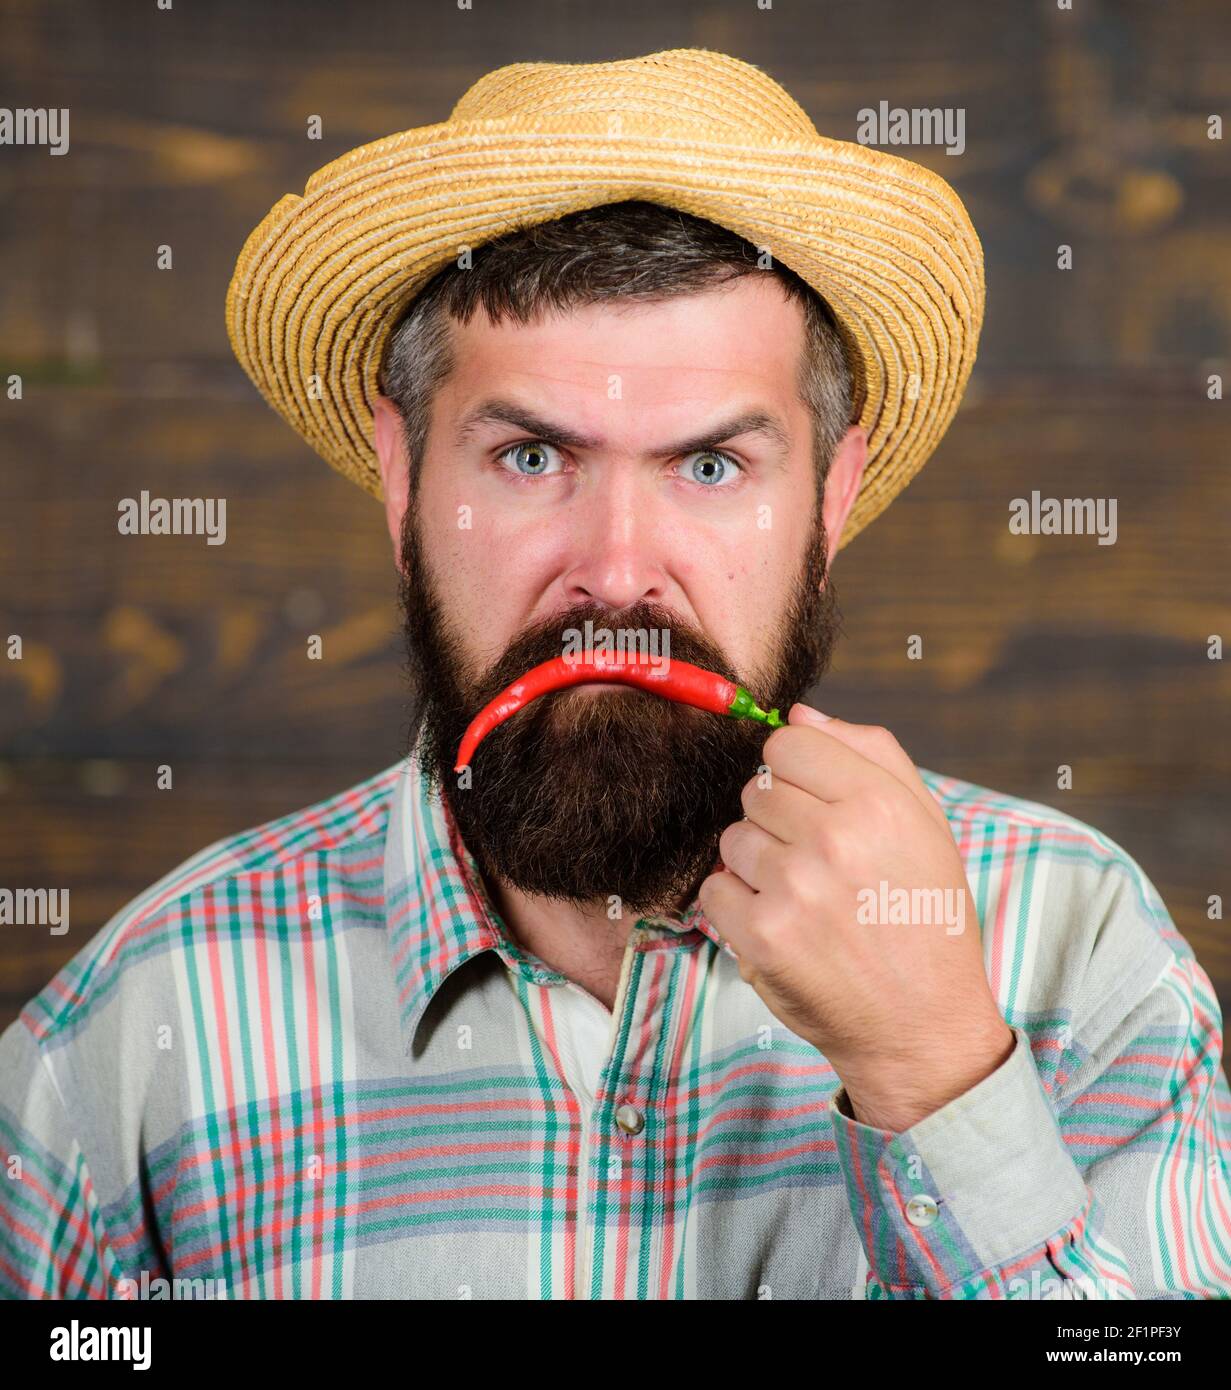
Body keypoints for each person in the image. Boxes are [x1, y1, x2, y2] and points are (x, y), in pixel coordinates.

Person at [2, 49, 1228, 1301]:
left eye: (709, 468)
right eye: (533, 458)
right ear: (403, 479)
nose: (617, 571)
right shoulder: (152, 1016)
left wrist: (935, 1069)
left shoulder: (1081, 958)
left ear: (832, 498)